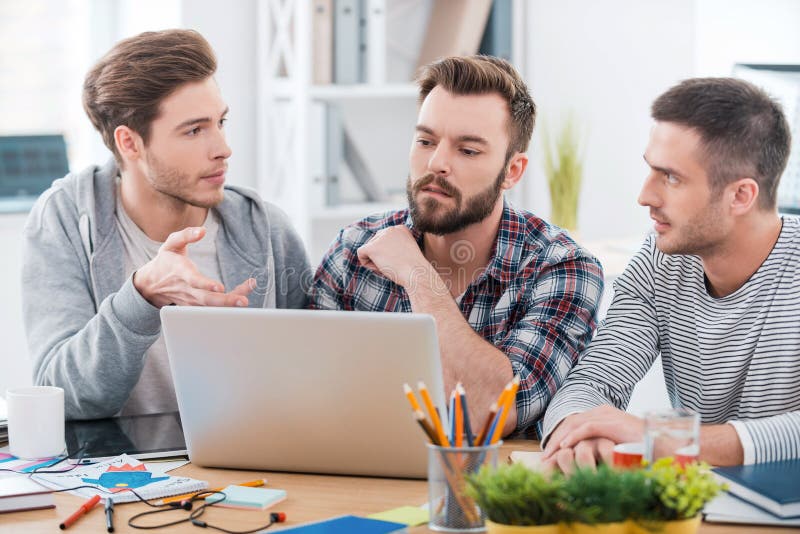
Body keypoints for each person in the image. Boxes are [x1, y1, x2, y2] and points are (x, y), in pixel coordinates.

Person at [310, 55, 604, 437]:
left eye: (467, 150)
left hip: (493, 477)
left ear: (512, 171)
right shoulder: (352, 251)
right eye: (425, 141)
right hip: (359, 470)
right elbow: (305, 401)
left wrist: (417, 275)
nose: (436, 163)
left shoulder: (562, 268)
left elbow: (490, 413)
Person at [22, 29, 309, 420]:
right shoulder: (64, 221)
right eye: (194, 130)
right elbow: (62, 397)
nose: (223, 148)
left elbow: (314, 378)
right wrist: (141, 296)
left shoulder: (267, 228)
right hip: (120, 461)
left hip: (248, 455)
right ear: (130, 143)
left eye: (221, 122)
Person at [542, 77, 799, 470]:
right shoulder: (659, 261)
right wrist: (583, 432)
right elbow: (594, 379)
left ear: (741, 195)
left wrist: (666, 439)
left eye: (672, 178)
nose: (645, 196)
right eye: (651, 170)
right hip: (698, 500)